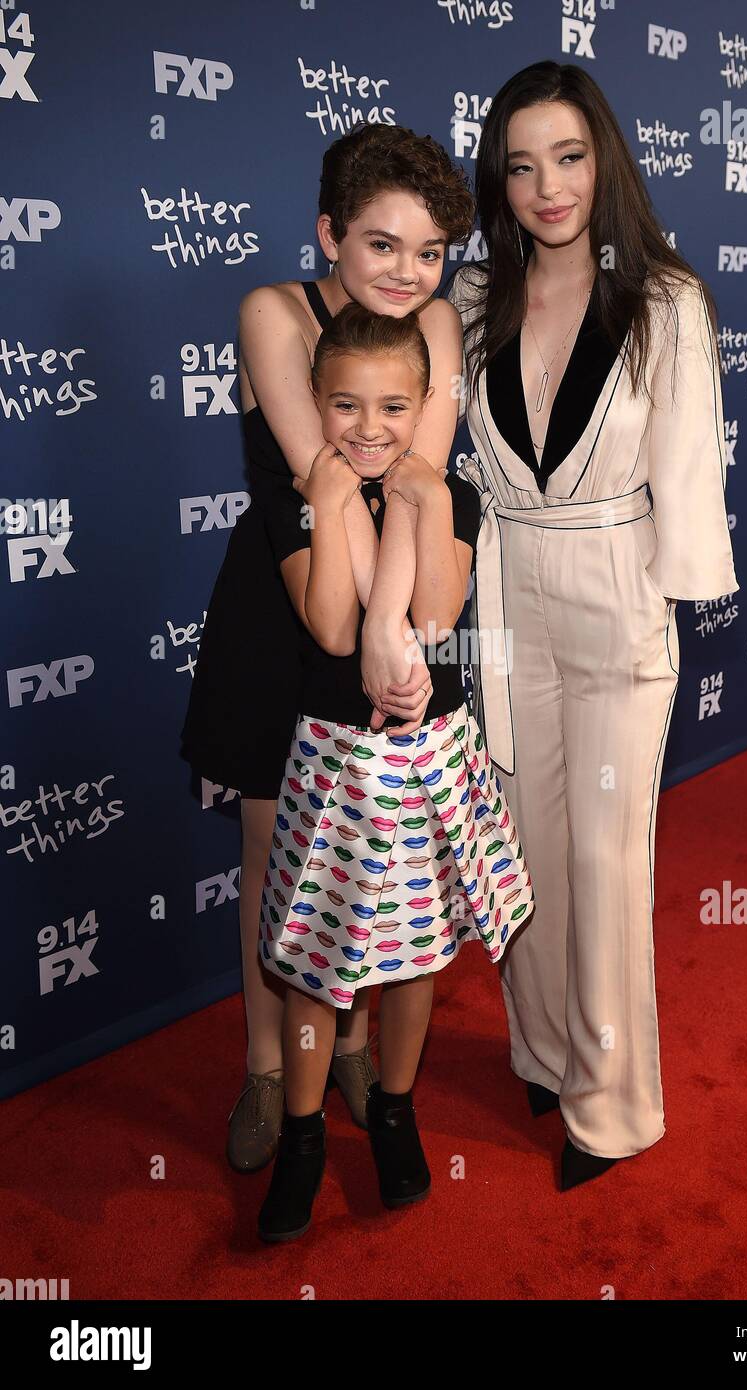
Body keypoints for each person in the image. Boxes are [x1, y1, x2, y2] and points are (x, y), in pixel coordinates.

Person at [446, 61, 740, 1190]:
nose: (546, 187)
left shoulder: (664, 300)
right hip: (510, 595)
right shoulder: (474, 300)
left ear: (604, 160)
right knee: (518, 850)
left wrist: (663, 602)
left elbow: (682, 466)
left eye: (567, 157)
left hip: (617, 595)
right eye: (520, 166)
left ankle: (610, 1106)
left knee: (605, 861)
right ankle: (543, 1049)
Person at [179, 124, 475, 1169]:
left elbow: (417, 478)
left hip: (388, 592)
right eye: (382, 244)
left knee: (375, 854)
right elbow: (329, 473)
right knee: (280, 858)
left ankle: (348, 1048)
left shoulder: (440, 318)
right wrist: (365, 637)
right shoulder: (273, 310)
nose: (407, 272)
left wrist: (389, 638)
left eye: (430, 249)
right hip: (285, 589)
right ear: (328, 235)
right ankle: (268, 1069)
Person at [254, 303, 535, 1242]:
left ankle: (393, 1109)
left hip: (431, 753)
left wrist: (430, 500)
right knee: (314, 962)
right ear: (315, 406)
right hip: (334, 763)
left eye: (390, 407)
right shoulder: (300, 495)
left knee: (419, 952)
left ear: (425, 408)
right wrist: (333, 503)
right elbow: (334, 628)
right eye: (344, 406)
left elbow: (438, 614)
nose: (368, 428)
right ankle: (301, 1138)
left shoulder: (450, 490)